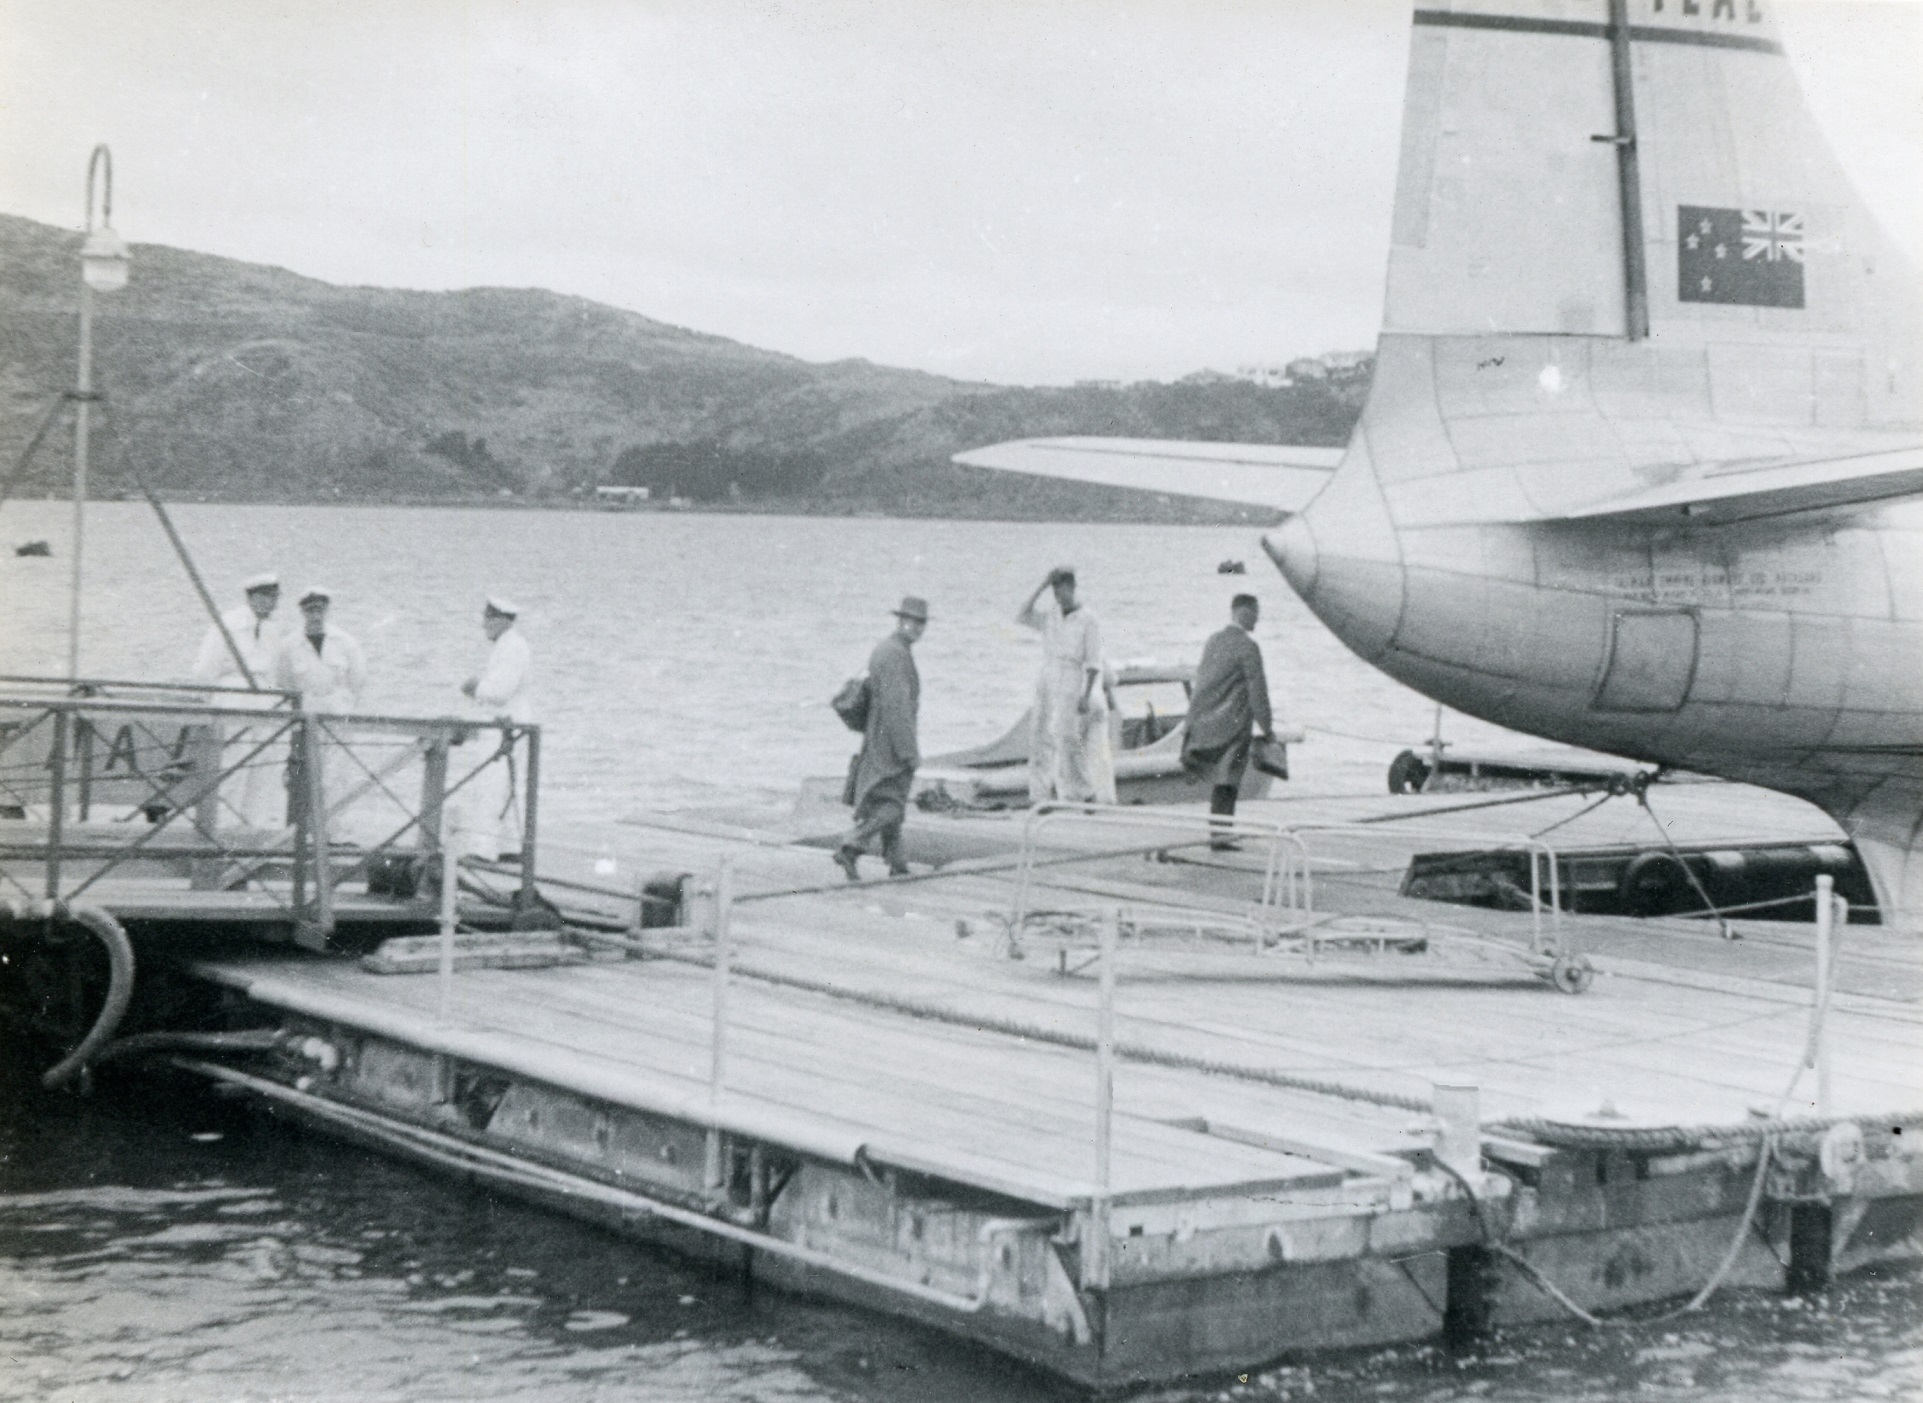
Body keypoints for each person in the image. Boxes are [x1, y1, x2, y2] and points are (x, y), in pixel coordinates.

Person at [834, 596, 927, 881]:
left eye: (921, 623)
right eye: (912, 621)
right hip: (889, 744)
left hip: (879, 739)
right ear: (901, 621)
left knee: (888, 802)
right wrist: (909, 752)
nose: (917, 628)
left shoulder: (890, 650)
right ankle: (852, 845)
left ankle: (896, 863)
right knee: (892, 804)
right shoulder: (895, 654)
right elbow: (896, 708)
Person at [190, 573, 287, 828]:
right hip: (234, 695)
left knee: (263, 764)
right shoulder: (228, 624)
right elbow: (205, 670)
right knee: (232, 763)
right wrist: (210, 702)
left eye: (274, 597)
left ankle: (254, 827)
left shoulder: (272, 630)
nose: (271, 603)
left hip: (264, 698)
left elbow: (276, 669)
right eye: (266, 597)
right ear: (252, 597)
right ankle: (221, 826)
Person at [1181, 593, 1275, 850]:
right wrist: (1268, 729)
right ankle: (1221, 838)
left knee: (1221, 783)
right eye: (1255, 612)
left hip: (1209, 721)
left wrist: (1192, 723)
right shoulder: (1248, 647)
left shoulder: (1213, 641)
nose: (1258, 618)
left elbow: (1202, 683)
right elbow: (1258, 693)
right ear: (1243, 612)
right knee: (1229, 782)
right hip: (1234, 727)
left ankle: (1218, 835)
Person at [273, 587, 368, 824]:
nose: (315, 615)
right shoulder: (289, 645)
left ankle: (333, 833)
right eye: (310, 610)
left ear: (326, 610)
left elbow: (358, 680)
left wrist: (342, 702)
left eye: (320, 609)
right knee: (300, 772)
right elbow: (284, 682)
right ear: (302, 612)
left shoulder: (345, 642)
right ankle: (299, 831)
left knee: (336, 775)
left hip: (337, 715)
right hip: (305, 715)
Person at [453, 596, 533, 862]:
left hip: (504, 726)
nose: (484, 624)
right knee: (506, 786)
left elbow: (499, 692)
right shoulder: (509, 645)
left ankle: (483, 849)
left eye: (488, 618)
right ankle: (508, 847)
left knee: (491, 787)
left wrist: (474, 687)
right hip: (507, 725)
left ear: (502, 620)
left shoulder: (512, 647)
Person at [1017, 567, 1105, 804]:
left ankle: (1086, 792)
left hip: (1072, 676)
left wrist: (1086, 695)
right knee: (1039, 734)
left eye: (1062, 589)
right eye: (1054, 589)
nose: (1058, 595)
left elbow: (1094, 662)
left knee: (1068, 737)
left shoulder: (1088, 619)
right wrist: (1041, 585)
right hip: (1048, 674)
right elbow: (1022, 615)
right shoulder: (1051, 616)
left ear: (1072, 588)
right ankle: (1040, 795)